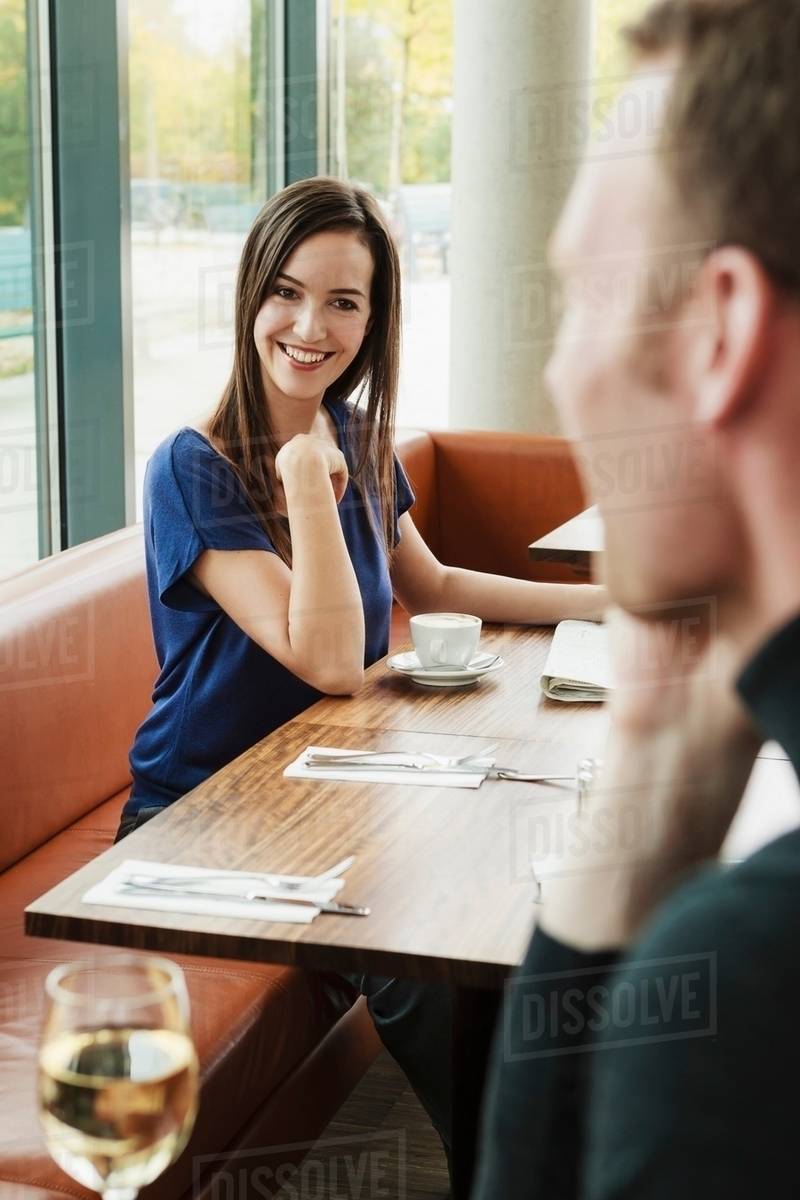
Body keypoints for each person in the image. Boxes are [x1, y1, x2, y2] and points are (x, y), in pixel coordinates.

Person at [117, 176, 604, 1157]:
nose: (311, 326)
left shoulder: (356, 433)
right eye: (287, 292)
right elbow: (332, 659)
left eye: (343, 302)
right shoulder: (193, 466)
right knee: (425, 952)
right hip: (204, 817)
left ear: (373, 320)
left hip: (333, 787)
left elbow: (434, 581)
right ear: (251, 294)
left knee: (527, 880)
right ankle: (508, 1170)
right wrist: (304, 480)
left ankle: (563, 1150)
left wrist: (620, 603)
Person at [473, 0, 800, 1196]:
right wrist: (656, 746)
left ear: (720, 330)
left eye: (579, 297)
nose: (558, 367)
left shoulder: (750, 982)